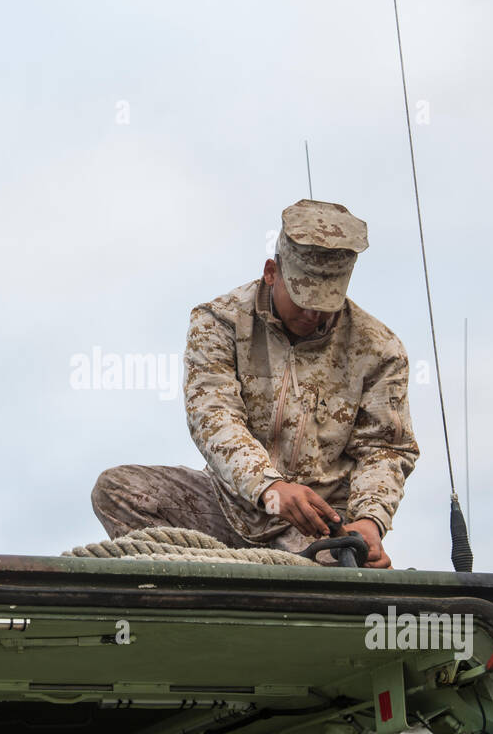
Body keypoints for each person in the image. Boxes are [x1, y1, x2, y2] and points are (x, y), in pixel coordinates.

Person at [92, 199, 418, 567]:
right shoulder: (219, 321)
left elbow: (385, 449)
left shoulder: (379, 350)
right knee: (117, 490)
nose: (312, 315)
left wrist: (370, 522)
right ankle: (212, 590)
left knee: (343, 572)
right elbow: (213, 415)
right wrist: (270, 487)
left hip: (318, 527)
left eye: (326, 304)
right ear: (271, 273)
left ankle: (254, 581)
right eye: (302, 300)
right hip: (228, 505)